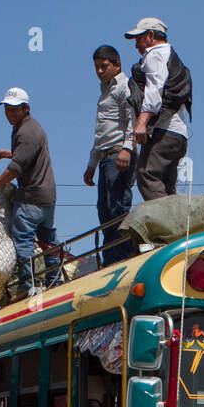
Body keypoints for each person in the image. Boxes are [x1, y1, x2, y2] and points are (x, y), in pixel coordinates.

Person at [0, 87, 62, 294]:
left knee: (23, 240)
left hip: (31, 197)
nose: (9, 114)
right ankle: (55, 280)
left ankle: (29, 285)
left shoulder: (26, 132)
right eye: (7, 109)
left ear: (26, 108)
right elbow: (23, 155)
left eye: (14, 109)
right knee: (47, 240)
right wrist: (4, 153)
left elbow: (16, 168)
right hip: (47, 196)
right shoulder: (29, 128)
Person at [125, 17, 191, 201]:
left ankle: (165, 226)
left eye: (138, 38)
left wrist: (141, 122)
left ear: (151, 35)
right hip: (178, 135)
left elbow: (154, 90)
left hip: (164, 131)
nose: (136, 44)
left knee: (146, 174)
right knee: (167, 186)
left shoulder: (155, 54)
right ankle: (175, 226)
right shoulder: (173, 57)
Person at [84, 45, 137, 266]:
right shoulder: (104, 91)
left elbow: (132, 119)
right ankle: (111, 260)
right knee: (105, 211)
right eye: (96, 67)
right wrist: (92, 164)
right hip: (105, 157)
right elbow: (101, 131)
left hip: (119, 155)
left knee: (117, 210)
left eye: (104, 66)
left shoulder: (123, 86)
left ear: (117, 65)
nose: (99, 71)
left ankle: (123, 258)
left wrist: (127, 148)